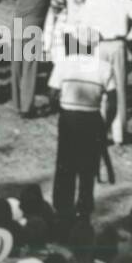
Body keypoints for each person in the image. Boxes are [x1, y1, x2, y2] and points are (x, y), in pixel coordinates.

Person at [48, 26, 113, 218]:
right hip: (92, 118)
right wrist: (106, 124)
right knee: (88, 166)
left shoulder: (64, 63)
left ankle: (62, 207)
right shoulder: (104, 67)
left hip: (69, 117)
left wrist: (59, 109)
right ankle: (84, 208)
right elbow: (114, 100)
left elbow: (52, 93)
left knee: (65, 164)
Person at [79, 0, 132, 144]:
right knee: (119, 90)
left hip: (98, 44)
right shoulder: (124, 0)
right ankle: (119, 134)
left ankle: (96, 132)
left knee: (98, 88)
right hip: (118, 44)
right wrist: (131, 36)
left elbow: (83, 25)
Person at [9, 0, 61, 116]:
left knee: (15, 67)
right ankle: (26, 106)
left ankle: (16, 103)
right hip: (35, 25)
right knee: (30, 68)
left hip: (18, 24)